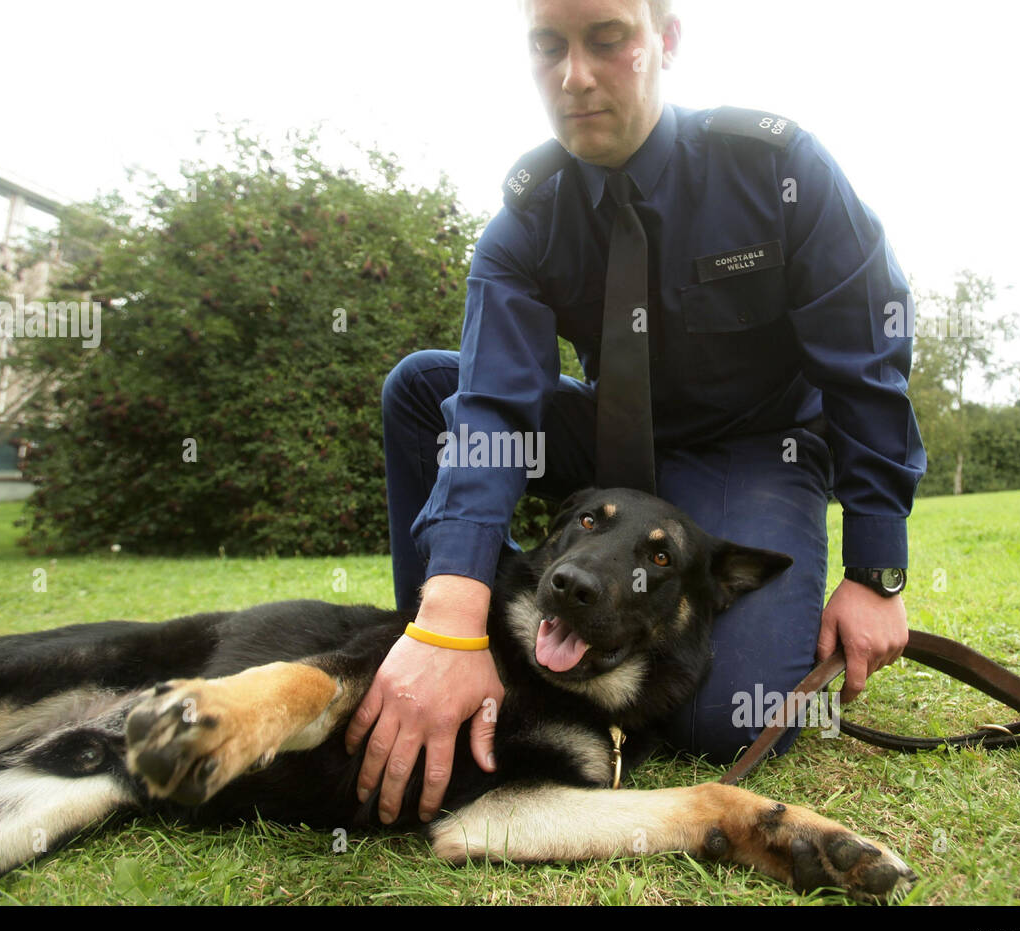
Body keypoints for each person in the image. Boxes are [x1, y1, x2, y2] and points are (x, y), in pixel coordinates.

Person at [344, 0, 926, 827]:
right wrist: (450, 618)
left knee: (731, 718)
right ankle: (453, 644)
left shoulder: (775, 167)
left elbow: (865, 367)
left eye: (607, 40)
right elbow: (492, 410)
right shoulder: (528, 215)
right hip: (611, 443)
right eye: (549, 46)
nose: (574, 75)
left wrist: (876, 574)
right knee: (422, 390)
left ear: (667, 40)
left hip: (751, 449)